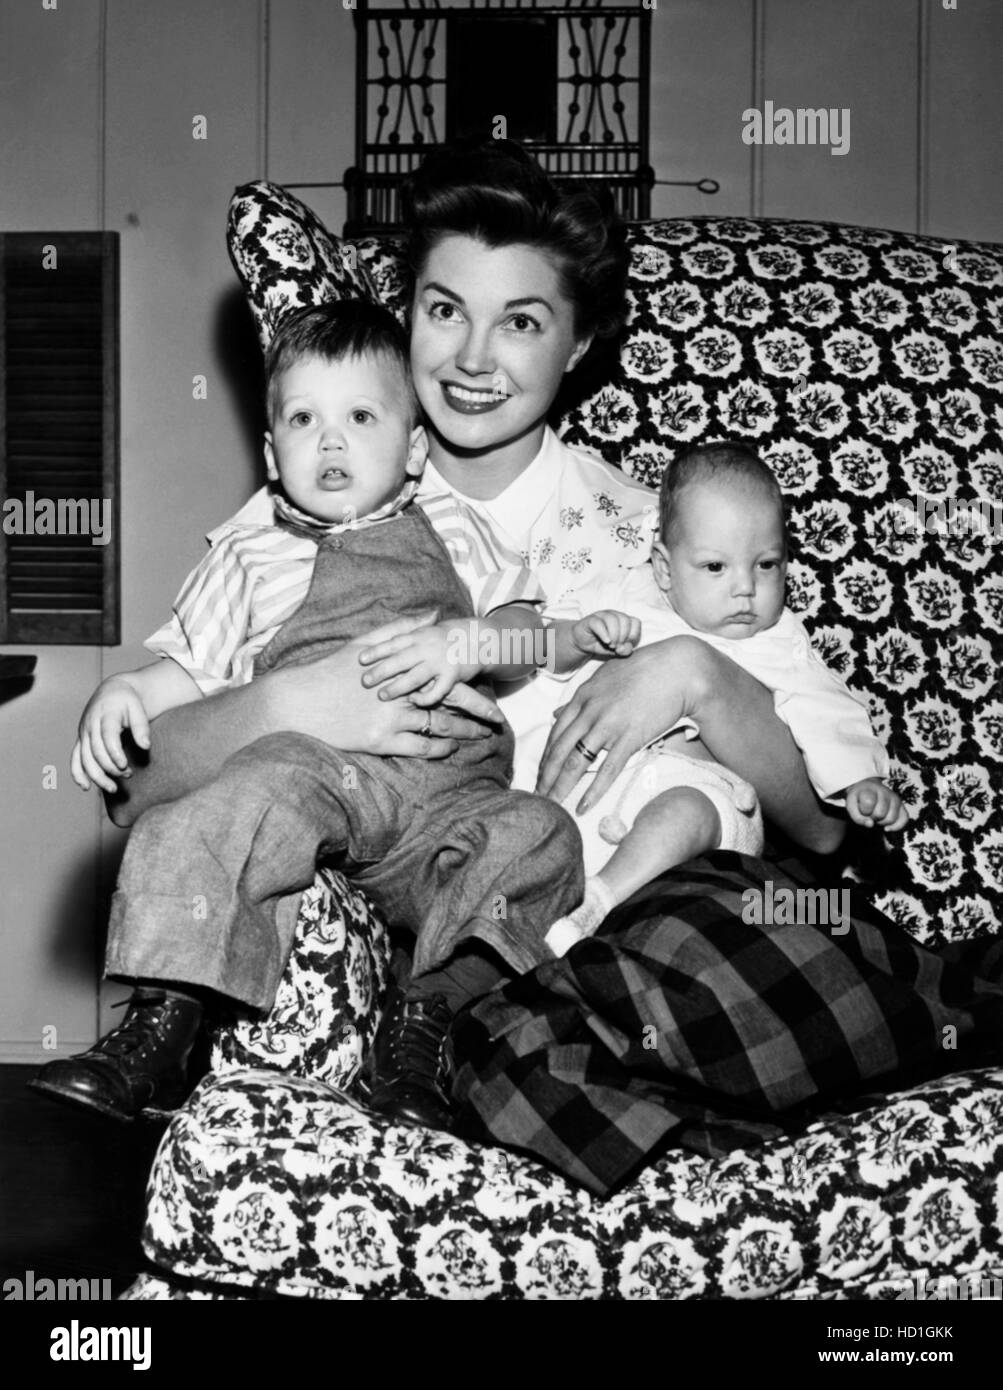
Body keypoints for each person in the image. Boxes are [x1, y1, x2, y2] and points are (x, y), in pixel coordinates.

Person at [39, 136, 1002, 1190]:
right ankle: (735, 1186)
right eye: (444, 309)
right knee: (529, 1046)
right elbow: (138, 785)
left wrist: (694, 672)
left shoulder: (656, 529)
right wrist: (295, 699)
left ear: (582, 342)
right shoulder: (318, 509)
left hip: (675, 894)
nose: (472, 358)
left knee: (717, 949)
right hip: (503, 942)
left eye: (523, 321)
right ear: (406, 312)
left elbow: (821, 829)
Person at [32, 298, 639, 1129]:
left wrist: (467, 644)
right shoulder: (249, 556)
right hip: (319, 777)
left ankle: (428, 1019)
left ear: (414, 447)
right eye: (302, 418)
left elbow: (528, 632)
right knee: (230, 805)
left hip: (451, 797)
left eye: (360, 415)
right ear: (270, 452)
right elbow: (184, 670)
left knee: (539, 833)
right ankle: (165, 1019)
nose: (330, 439)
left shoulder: (457, 529)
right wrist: (122, 696)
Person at [545, 439, 907, 953]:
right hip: (600, 791)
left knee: (685, 811)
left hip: (711, 810)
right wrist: (579, 634)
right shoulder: (626, 594)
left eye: (766, 565)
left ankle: (598, 901)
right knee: (536, 827)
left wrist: (860, 782)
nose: (745, 588)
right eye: (715, 567)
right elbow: (547, 643)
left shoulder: (780, 642)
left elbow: (829, 714)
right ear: (665, 568)